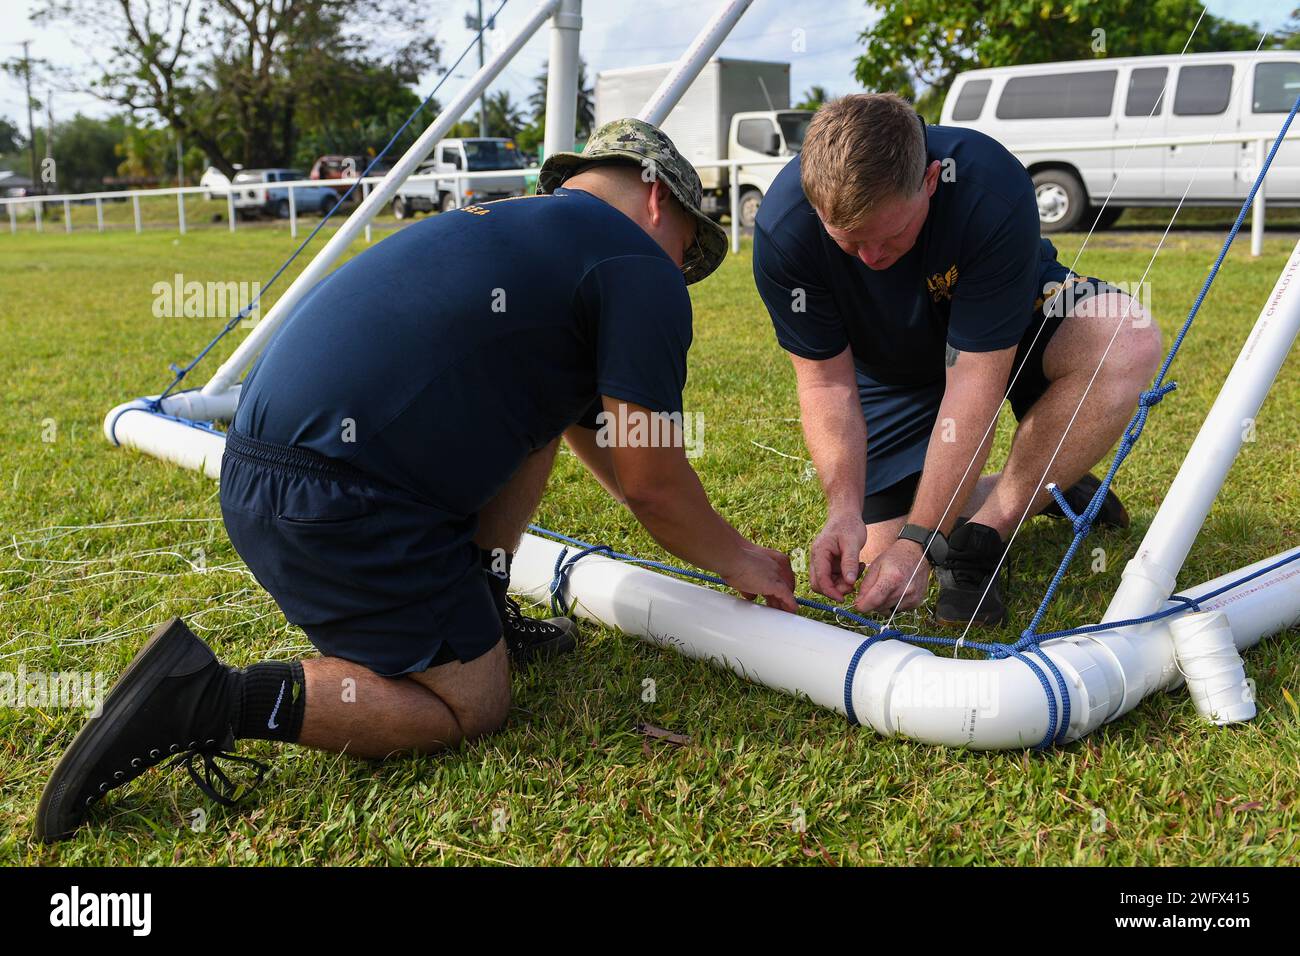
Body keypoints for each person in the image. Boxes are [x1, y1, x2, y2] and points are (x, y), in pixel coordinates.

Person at [36, 118, 797, 842]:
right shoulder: (638, 267)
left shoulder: (500, 222)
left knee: (537, 423)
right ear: (660, 196)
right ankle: (207, 700)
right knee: (472, 705)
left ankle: (482, 612)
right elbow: (651, 476)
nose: (680, 272)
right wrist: (739, 558)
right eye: (687, 249)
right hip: (341, 505)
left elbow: (582, 424)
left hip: (259, 475)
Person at [753, 93, 1162, 627]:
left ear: (929, 180)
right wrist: (843, 509)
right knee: (879, 555)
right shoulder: (782, 231)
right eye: (849, 243)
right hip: (891, 368)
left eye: (891, 235)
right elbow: (826, 385)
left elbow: (974, 384)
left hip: (1008, 327)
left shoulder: (989, 187)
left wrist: (924, 542)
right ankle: (1051, 483)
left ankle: (988, 531)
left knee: (1126, 334)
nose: (873, 260)